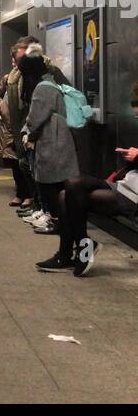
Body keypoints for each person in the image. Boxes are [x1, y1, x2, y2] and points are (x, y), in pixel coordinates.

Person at [37, 83, 138, 276]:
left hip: (134, 195)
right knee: (71, 185)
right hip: (126, 184)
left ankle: (69, 253)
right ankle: (81, 245)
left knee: (67, 196)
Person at [21, 43, 79, 235]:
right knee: (55, 184)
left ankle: (58, 222)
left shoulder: (42, 87)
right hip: (57, 138)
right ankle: (59, 221)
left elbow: (35, 118)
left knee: (51, 185)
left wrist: (27, 134)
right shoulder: (50, 81)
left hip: (52, 140)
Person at [0, 45, 34, 207]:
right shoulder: (9, 77)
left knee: (27, 163)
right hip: (10, 126)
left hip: (25, 124)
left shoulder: (32, 76)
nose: (14, 62)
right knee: (15, 163)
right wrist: (1, 106)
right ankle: (21, 193)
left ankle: (31, 196)